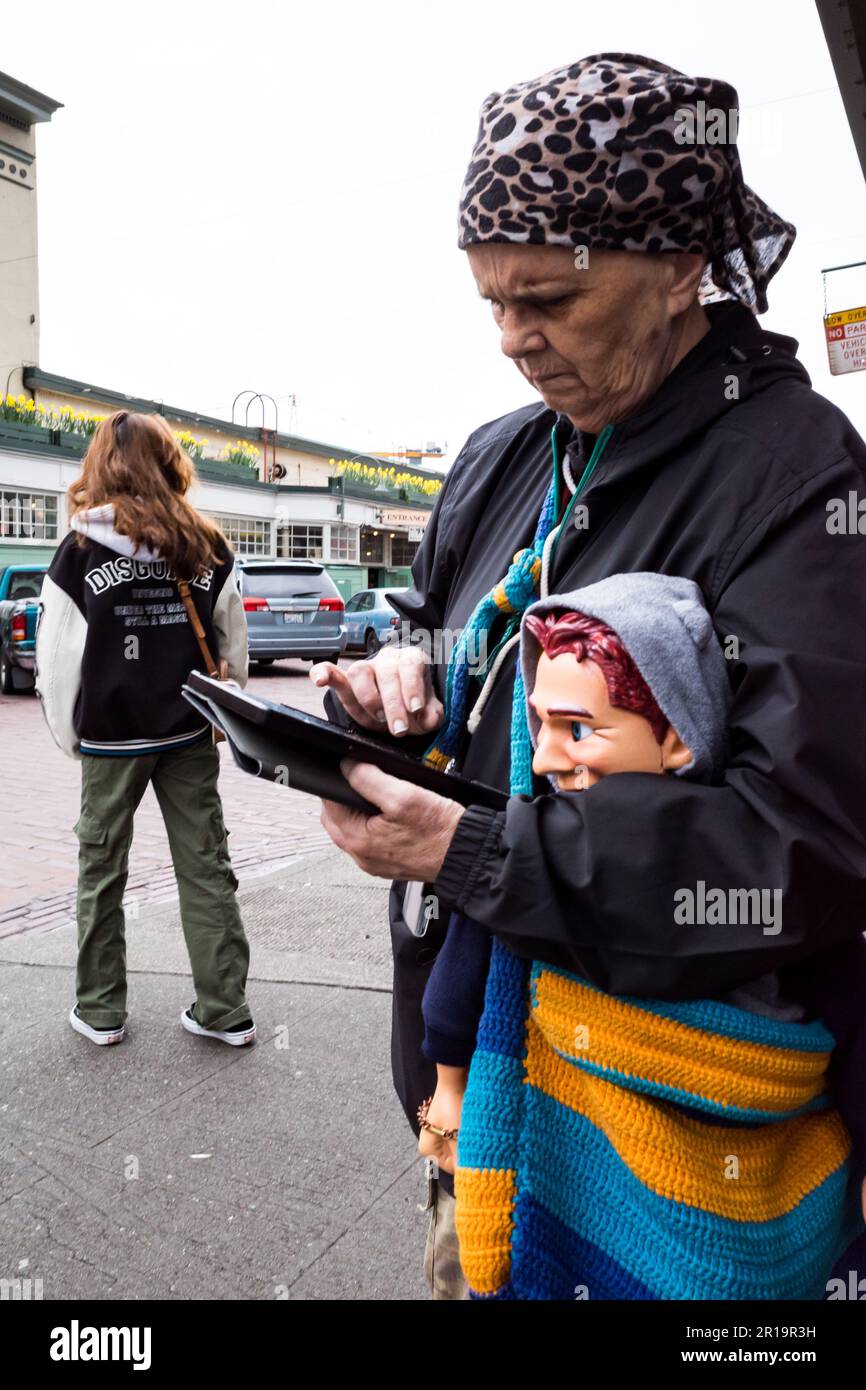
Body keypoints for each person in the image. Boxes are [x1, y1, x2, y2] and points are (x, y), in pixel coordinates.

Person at [313, 53, 866, 1298]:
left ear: (680, 268)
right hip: (477, 1092)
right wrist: (396, 675)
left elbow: (809, 847)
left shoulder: (799, 474)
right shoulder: (504, 455)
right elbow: (442, 635)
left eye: (551, 297)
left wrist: (475, 853)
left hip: (666, 1133)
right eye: (492, 304)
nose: (516, 341)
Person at [36, 410, 255, 1048]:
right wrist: (224, 712)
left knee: (102, 867)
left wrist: (70, 737)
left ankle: (101, 1010)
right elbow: (231, 650)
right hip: (188, 731)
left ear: (101, 465)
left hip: (110, 737)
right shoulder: (207, 546)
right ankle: (225, 1009)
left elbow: (57, 659)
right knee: (206, 864)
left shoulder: (80, 550)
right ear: (170, 463)